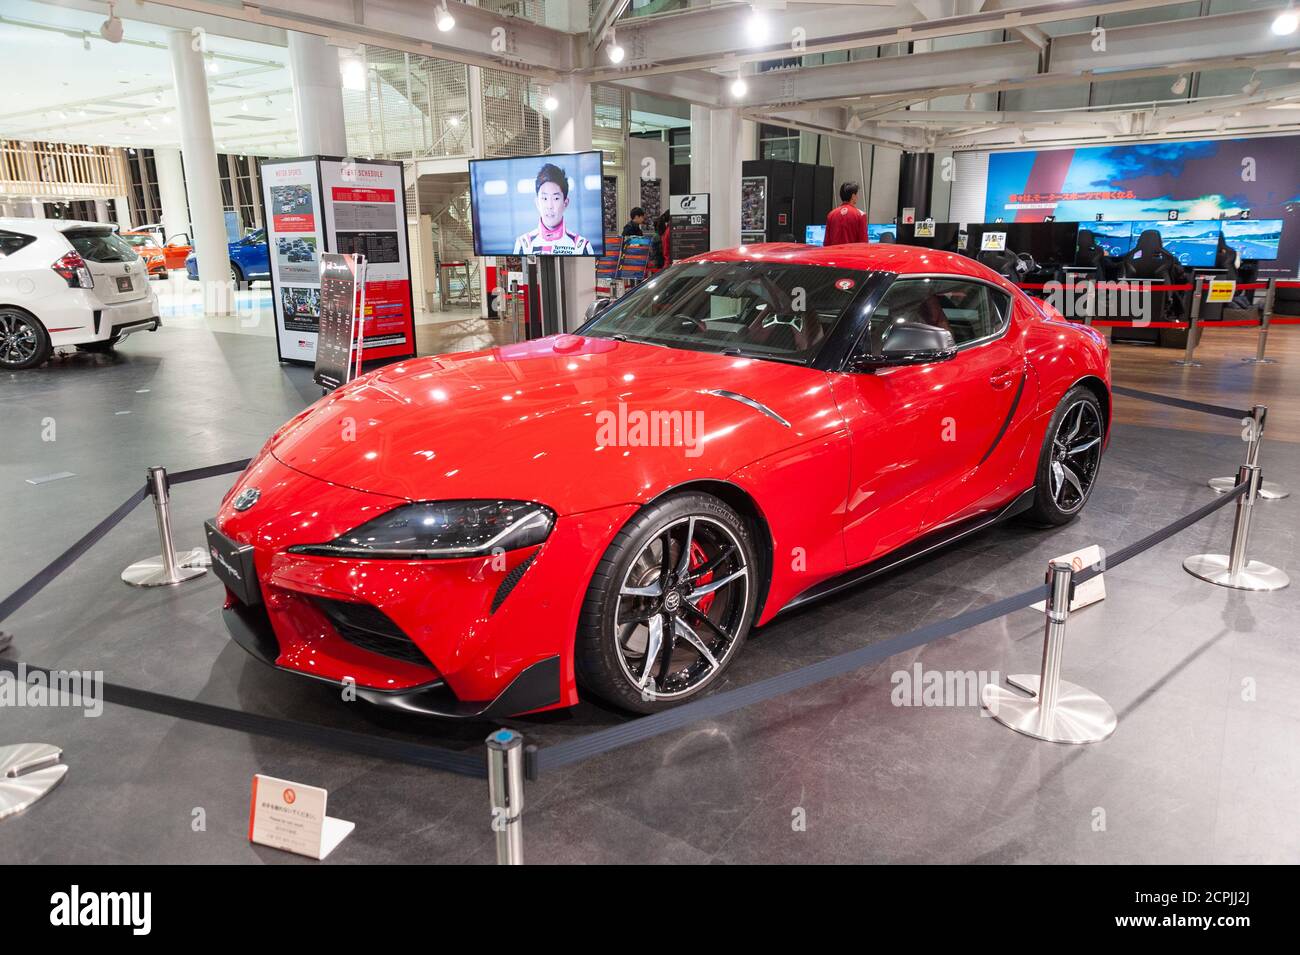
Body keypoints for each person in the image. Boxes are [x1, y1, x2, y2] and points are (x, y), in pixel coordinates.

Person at [513, 162, 595, 255]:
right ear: (537, 203)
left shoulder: (581, 247)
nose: (550, 206)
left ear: (565, 203)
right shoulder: (523, 245)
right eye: (544, 198)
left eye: (556, 198)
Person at [823, 181, 868, 246]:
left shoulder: (831, 215)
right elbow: (863, 243)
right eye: (856, 195)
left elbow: (826, 243)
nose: (857, 197)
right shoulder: (860, 215)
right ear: (853, 196)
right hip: (852, 255)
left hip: (834, 255)